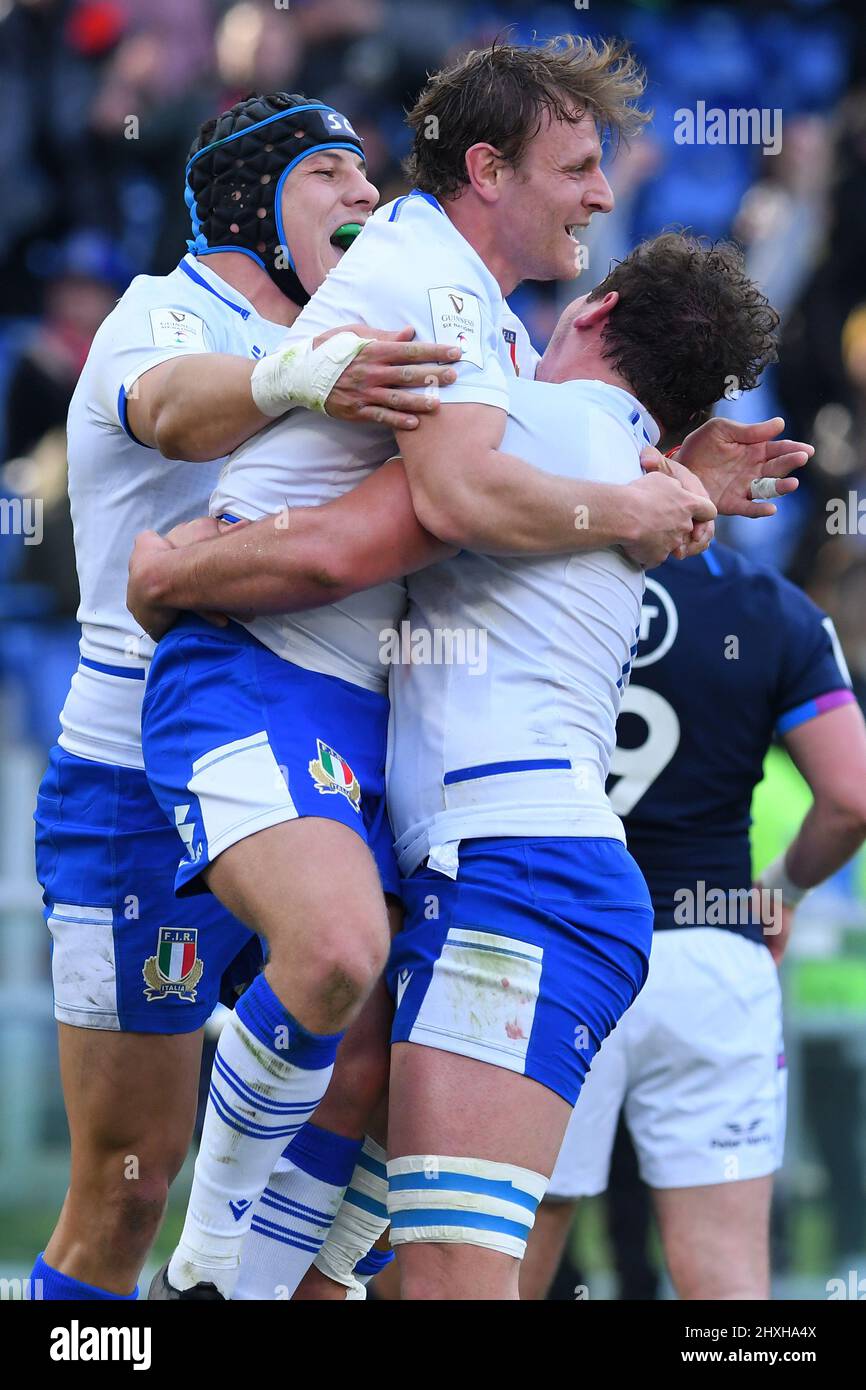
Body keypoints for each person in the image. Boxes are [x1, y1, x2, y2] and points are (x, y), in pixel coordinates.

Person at [129, 39, 807, 1302]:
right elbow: (434, 488)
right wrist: (651, 496)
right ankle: (233, 1279)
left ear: (595, 321)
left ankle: (207, 1267)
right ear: (486, 169)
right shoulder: (475, 327)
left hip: (512, 870)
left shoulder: (529, 396)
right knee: (377, 1139)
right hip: (429, 798)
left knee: (450, 1275)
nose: (604, 193)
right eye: (582, 164)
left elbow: (391, 518)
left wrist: (164, 576)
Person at [31, 89, 459, 1302]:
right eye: (335, 174)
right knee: (124, 1180)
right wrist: (300, 373)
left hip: (311, 747)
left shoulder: (363, 330)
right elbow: (169, 412)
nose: (367, 198)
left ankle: (230, 1285)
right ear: (253, 195)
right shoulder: (164, 311)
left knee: (379, 1063)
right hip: (131, 780)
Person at [520, 539, 866, 1302]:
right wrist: (777, 892)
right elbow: (851, 799)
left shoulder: (530, 574)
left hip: (556, 953)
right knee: (729, 1287)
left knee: (504, 1265)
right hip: (711, 959)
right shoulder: (773, 605)